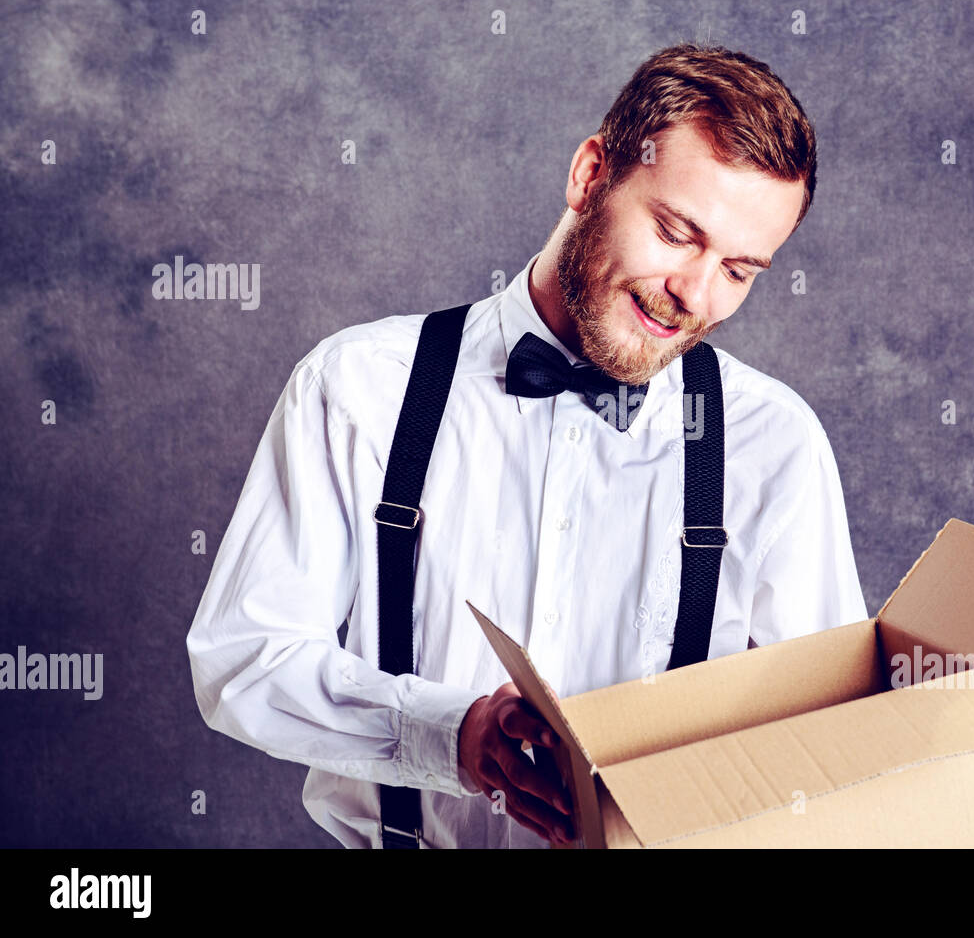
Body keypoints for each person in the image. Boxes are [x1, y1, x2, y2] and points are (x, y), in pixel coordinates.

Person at [186, 41, 870, 849]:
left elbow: (832, 754)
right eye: (677, 232)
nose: (695, 292)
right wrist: (450, 735)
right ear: (590, 176)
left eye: (740, 269)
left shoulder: (774, 445)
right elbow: (244, 660)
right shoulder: (359, 387)